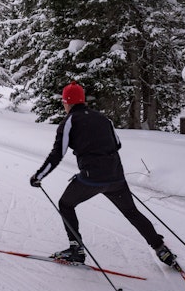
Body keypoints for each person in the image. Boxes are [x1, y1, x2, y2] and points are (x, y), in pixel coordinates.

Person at [29, 82, 176, 267]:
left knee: (65, 204)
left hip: (91, 179)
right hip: (116, 178)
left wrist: (39, 176)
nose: (63, 106)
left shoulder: (69, 123)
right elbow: (117, 144)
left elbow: (57, 154)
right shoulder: (104, 119)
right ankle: (161, 249)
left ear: (67, 102)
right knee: (131, 212)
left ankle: (76, 250)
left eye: (63, 102)